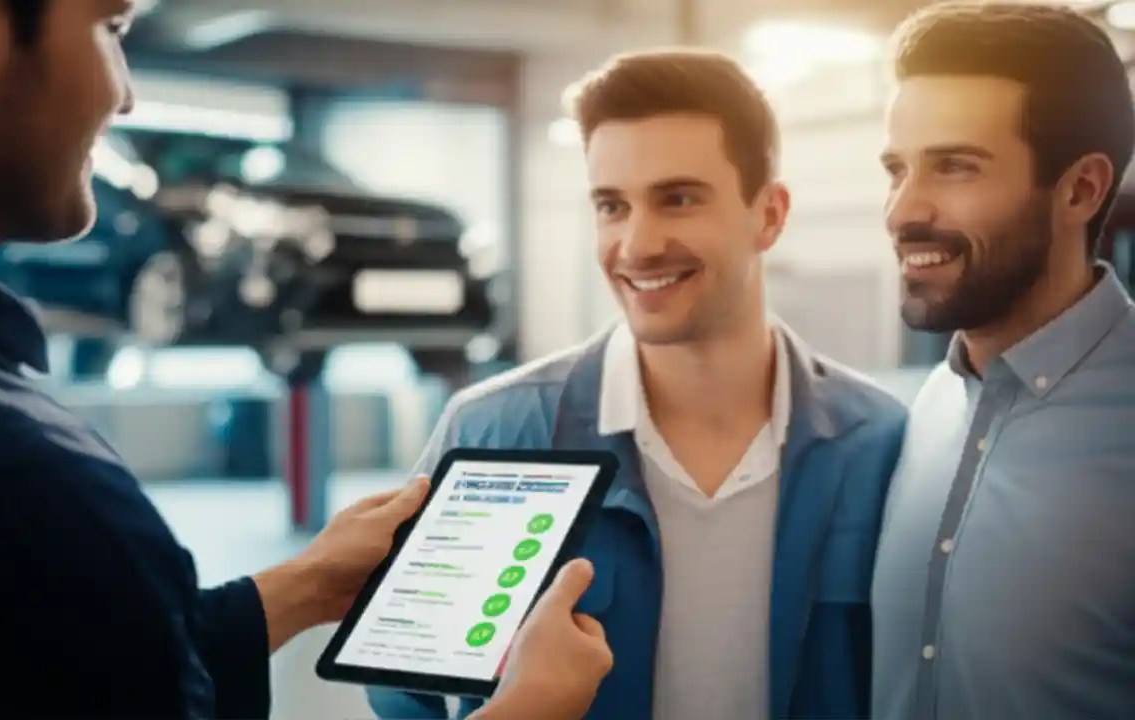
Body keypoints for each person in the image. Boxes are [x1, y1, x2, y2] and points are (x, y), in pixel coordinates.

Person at [0, 1, 611, 717]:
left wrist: (307, 585)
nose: (123, 97)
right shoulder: (22, 492)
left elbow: (48, 667)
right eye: (110, 27)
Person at [369, 49, 908, 720]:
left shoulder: (882, 446)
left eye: (677, 199)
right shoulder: (496, 433)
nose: (637, 243)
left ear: (769, 214)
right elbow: (403, 695)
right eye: (611, 206)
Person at [872, 3, 1135, 719]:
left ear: (1079, 188)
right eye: (897, 168)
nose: (903, 210)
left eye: (954, 166)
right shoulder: (926, 407)